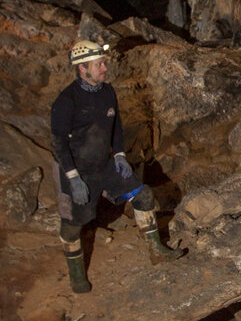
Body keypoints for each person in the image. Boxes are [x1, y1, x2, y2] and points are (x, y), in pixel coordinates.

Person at [50, 38, 183, 294]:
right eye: (99, 64)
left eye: (103, 63)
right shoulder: (66, 101)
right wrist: (73, 177)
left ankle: (156, 250)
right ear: (82, 68)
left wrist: (120, 154)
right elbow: (58, 143)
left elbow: (116, 126)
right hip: (76, 170)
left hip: (104, 165)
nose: (104, 68)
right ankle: (76, 274)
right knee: (74, 223)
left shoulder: (107, 92)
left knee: (143, 195)